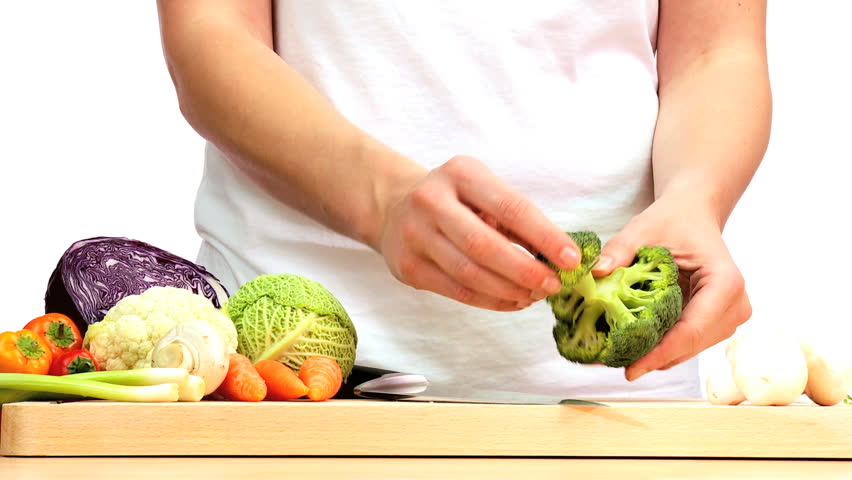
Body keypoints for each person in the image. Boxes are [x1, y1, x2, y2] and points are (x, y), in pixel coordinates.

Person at [155, 1, 770, 398]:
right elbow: (210, 34)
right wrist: (381, 200)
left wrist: (696, 197)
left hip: (617, 405)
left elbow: (716, 52)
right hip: (284, 380)